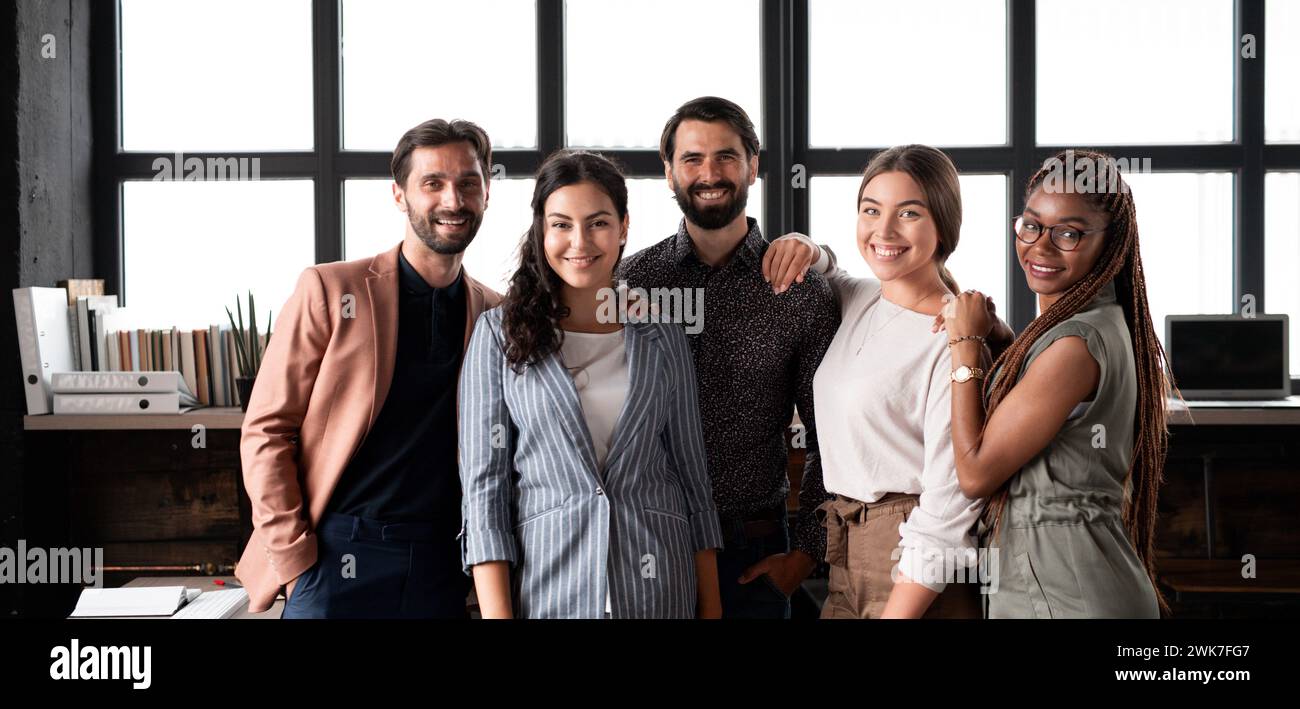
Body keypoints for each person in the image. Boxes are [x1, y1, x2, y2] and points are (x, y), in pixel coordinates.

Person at [237, 118, 502, 618]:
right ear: (399, 194)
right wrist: (295, 561)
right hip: (337, 554)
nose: (453, 200)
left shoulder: (495, 312)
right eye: (433, 183)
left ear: (487, 194)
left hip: (443, 563)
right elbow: (267, 431)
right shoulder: (330, 290)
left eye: (469, 183)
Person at [459, 149, 723, 619]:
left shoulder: (662, 335)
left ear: (623, 226)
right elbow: (485, 495)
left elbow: (692, 479)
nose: (579, 240)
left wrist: (712, 609)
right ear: (541, 230)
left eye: (598, 222)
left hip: (659, 589)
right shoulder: (497, 335)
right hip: (550, 593)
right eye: (561, 224)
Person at [763, 145, 1013, 618]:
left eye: (909, 213)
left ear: (944, 227)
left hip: (913, 570)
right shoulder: (859, 299)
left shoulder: (952, 339)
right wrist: (806, 244)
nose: (884, 230)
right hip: (846, 557)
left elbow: (951, 503)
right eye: (871, 210)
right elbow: (824, 266)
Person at [616, 97, 839, 618]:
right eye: (692, 159)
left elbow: (829, 434)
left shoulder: (798, 289)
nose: (709, 173)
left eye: (726, 157)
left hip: (754, 551)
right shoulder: (629, 285)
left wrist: (803, 555)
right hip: (648, 541)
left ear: (753, 165)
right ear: (668, 172)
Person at [945, 149, 1167, 618]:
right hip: (1065, 586)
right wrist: (1005, 339)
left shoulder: (1076, 343)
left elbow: (976, 473)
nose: (1040, 247)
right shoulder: (1089, 324)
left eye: (1069, 233)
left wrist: (964, 344)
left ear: (1112, 243)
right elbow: (1038, 415)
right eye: (1031, 225)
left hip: (1065, 597)